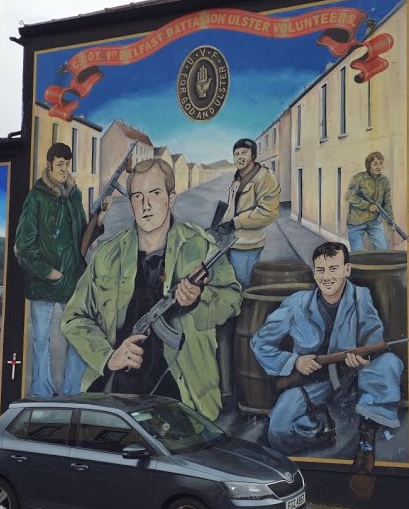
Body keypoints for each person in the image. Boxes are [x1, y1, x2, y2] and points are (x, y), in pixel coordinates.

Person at [62, 158, 242, 419]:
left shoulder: (200, 246)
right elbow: (73, 317)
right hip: (118, 392)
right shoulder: (108, 254)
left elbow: (232, 298)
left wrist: (200, 299)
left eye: (155, 194)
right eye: (137, 196)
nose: (146, 206)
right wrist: (108, 357)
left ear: (171, 198)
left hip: (184, 390)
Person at [250, 241, 403, 499]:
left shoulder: (360, 297)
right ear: (314, 272)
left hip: (354, 379)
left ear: (347, 269)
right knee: (278, 432)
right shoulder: (297, 304)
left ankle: (366, 444)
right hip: (313, 383)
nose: (327, 276)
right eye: (320, 270)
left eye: (333, 268)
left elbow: (373, 336)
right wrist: (294, 362)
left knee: (388, 364)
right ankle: (322, 430)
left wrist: (363, 357)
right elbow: (260, 342)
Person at [14, 142, 103, 397]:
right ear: (50, 165)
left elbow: (83, 238)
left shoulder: (73, 195)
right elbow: (23, 246)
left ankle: (72, 390)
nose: (65, 169)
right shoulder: (37, 196)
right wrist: (48, 271)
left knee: (77, 335)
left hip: (72, 281)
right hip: (42, 284)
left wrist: (102, 217)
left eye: (68, 164)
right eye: (60, 164)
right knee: (41, 342)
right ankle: (41, 392)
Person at [218, 138, 281, 287]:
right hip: (230, 242)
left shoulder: (265, 177)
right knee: (230, 286)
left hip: (248, 244)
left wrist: (236, 222)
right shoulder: (237, 179)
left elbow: (268, 211)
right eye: (236, 154)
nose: (239, 157)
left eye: (244, 153)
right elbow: (231, 208)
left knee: (241, 286)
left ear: (253, 155)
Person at [345, 151, 393, 252]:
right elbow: (350, 196)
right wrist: (367, 206)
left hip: (375, 221)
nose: (379, 166)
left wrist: (390, 219)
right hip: (356, 221)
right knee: (357, 254)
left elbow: (387, 202)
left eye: (380, 163)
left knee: (383, 250)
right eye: (375, 164)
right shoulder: (358, 178)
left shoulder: (385, 181)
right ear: (369, 165)